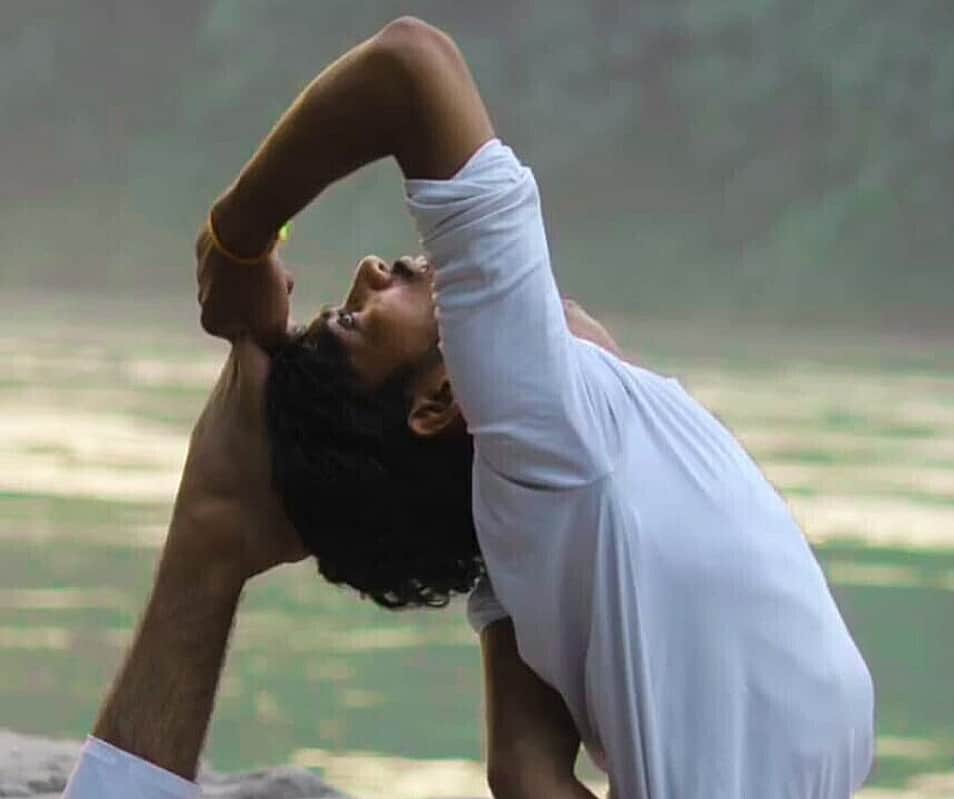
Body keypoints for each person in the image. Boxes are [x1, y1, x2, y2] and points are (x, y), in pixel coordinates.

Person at [65, 16, 875, 799]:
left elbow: (522, 771)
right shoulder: (537, 422)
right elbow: (410, 64)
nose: (371, 266)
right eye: (357, 317)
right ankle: (211, 533)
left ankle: (210, 533)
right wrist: (238, 239)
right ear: (447, 397)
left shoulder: (534, 524)